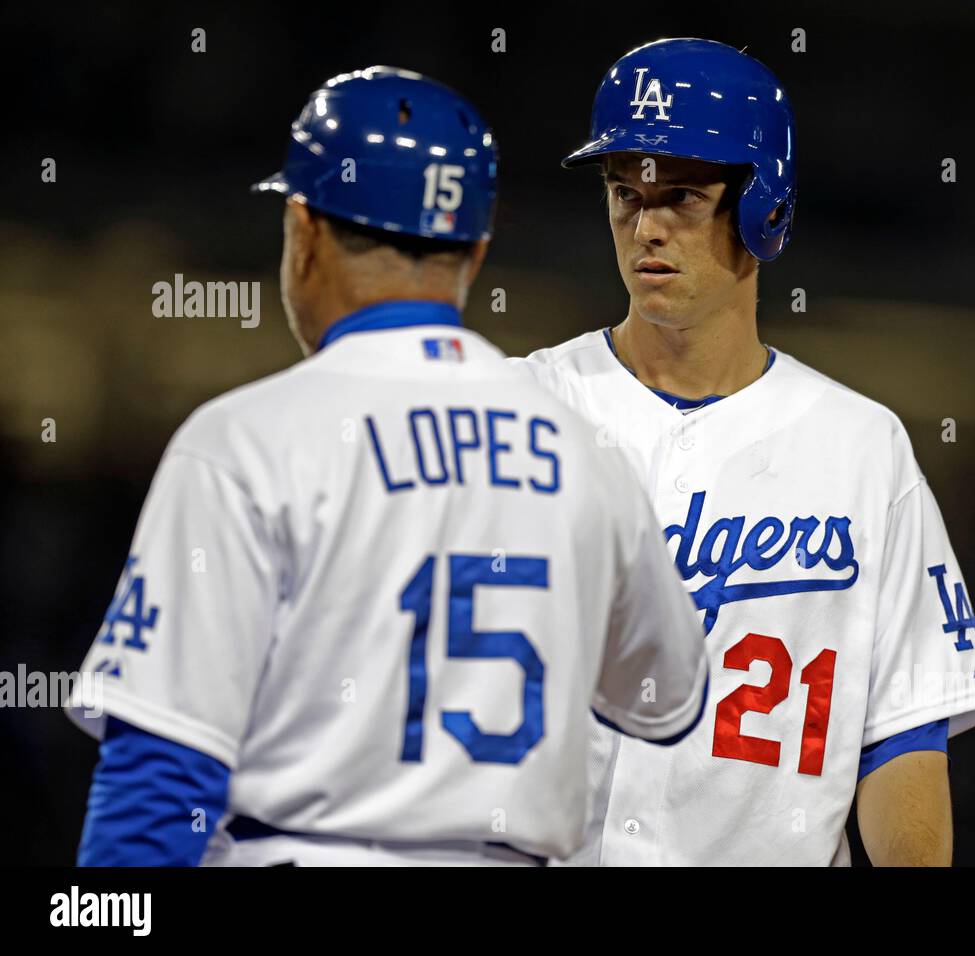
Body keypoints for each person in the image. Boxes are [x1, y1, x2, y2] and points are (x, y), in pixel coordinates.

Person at [65, 65, 707, 867]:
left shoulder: (244, 439)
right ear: (475, 249)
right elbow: (668, 697)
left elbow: (159, 773)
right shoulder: (587, 452)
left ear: (304, 228)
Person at [516, 39, 975, 866]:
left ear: (763, 207)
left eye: (680, 195)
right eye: (623, 192)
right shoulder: (515, 409)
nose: (647, 225)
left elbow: (901, 735)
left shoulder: (861, 447)